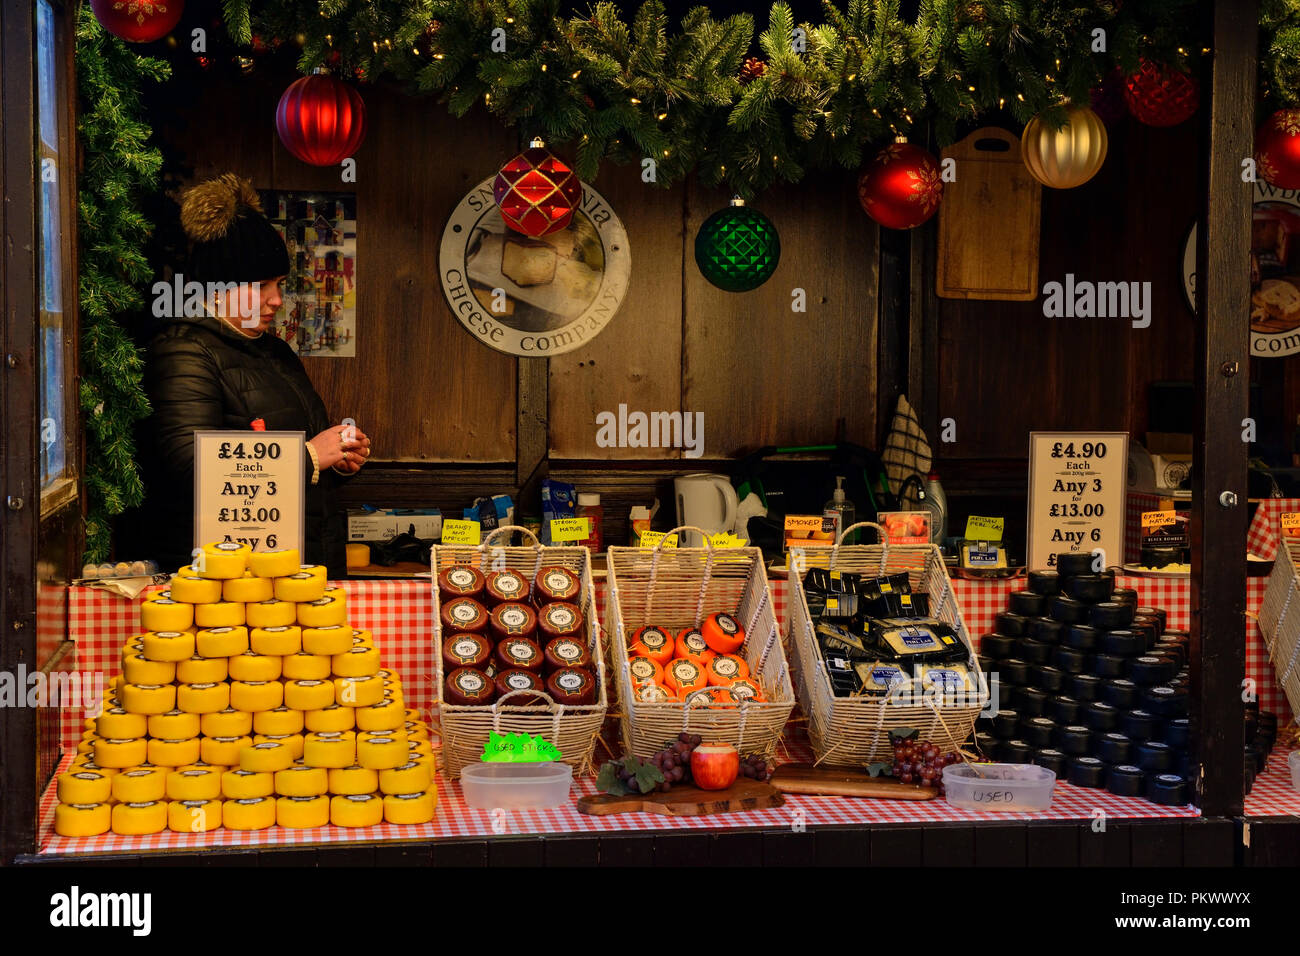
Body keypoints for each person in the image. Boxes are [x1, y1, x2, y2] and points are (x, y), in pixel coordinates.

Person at [130, 173, 369, 576]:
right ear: (217, 287)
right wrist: (310, 457)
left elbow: (299, 453)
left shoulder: (274, 350)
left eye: (278, 284)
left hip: (293, 569)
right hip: (229, 581)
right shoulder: (182, 351)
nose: (277, 300)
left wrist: (337, 460)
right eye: (260, 286)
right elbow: (190, 467)